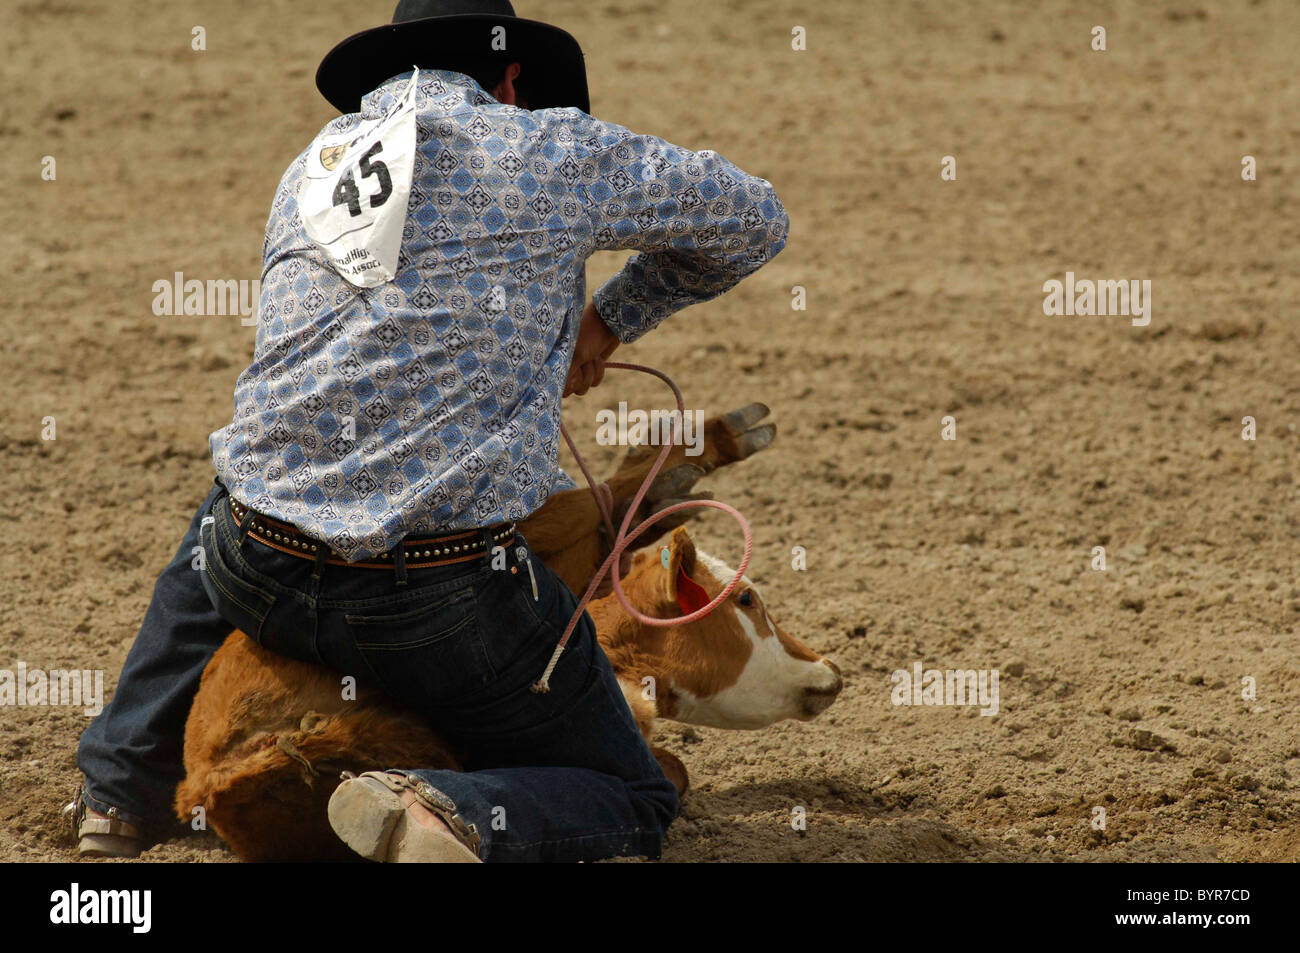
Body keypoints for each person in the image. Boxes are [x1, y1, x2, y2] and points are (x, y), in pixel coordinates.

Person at [71, 0, 788, 862]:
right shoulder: (554, 148)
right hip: (435, 598)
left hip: (254, 560)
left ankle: (115, 792)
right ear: (511, 80)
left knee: (241, 483)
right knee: (633, 791)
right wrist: (607, 319)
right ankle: (439, 807)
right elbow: (754, 217)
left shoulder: (315, 163)